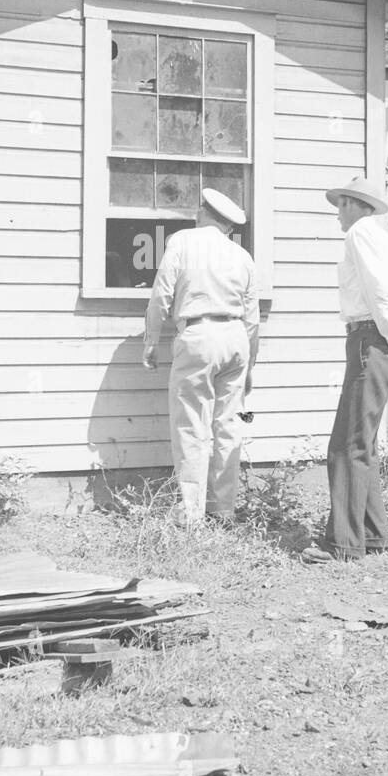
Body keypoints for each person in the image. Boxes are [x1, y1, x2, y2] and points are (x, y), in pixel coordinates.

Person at [302, 176, 388, 564]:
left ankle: (343, 544)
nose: (337, 213)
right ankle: (371, 536)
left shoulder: (359, 235)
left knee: (347, 445)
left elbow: (380, 295)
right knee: (363, 442)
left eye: (340, 205)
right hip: (380, 342)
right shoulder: (385, 241)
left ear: (356, 204)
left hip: (368, 341)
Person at [142, 188, 260, 525]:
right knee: (228, 426)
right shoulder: (242, 256)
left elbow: (162, 291)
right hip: (236, 337)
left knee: (191, 424)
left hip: (199, 334)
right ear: (228, 226)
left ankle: (191, 514)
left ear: (202, 212)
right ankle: (223, 511)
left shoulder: (183, 241)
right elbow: (252, 319)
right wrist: (250, 365)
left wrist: (151, 339)